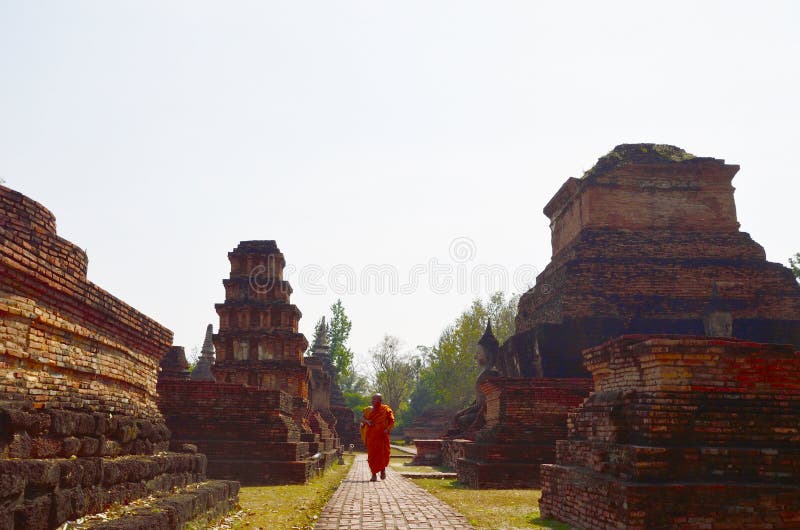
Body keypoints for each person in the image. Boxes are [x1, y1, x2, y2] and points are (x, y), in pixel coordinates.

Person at [364, 393, 394, 481]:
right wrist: (367, 421)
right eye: (372, 399)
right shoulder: (369, 410)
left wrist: (387, 429)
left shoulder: (386, 409)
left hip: (382, 437)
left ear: (380, 401)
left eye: (374, 399)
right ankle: (373, 475)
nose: (372, 401)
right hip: (372, 436)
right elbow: (361, 418)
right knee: (372, 455)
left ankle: (383, 470)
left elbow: (391, 421)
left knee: (382, 455)